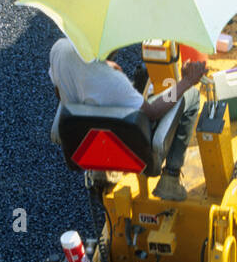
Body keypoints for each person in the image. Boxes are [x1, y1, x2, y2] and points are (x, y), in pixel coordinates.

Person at [49, 37, 206, 201]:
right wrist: (186, 82)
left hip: (88, 149)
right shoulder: (115, 82)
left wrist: (101, 68)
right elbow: (153, 111)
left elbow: (60, 93)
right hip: (133, 154)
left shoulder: (59, 50)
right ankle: (171, 179)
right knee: (192, 95)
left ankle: (101, 172)